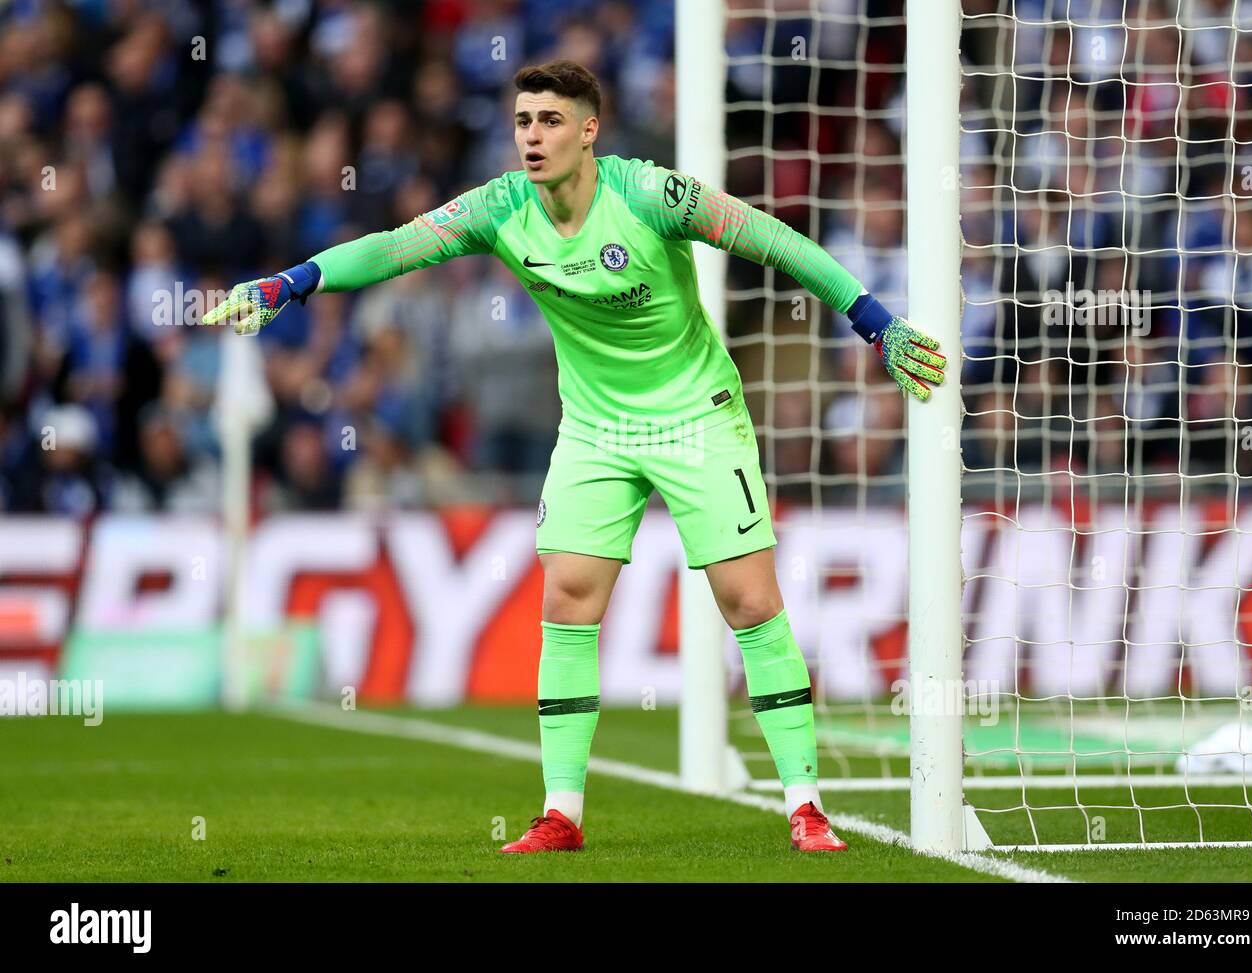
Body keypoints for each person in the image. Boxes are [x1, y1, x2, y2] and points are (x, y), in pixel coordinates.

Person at [203, 59, 946, 854]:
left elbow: (772, 240)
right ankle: (562, 812)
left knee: (749, 602)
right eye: (523, 121)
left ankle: (805, 805)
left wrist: (873, 319)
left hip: (697, 415)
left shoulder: (651, 196)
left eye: (551, 121)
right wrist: (292, 282)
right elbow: (394, 249)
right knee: (568, 597)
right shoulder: (500, 207)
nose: (533, 136)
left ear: (589, 130)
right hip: (594, 428)